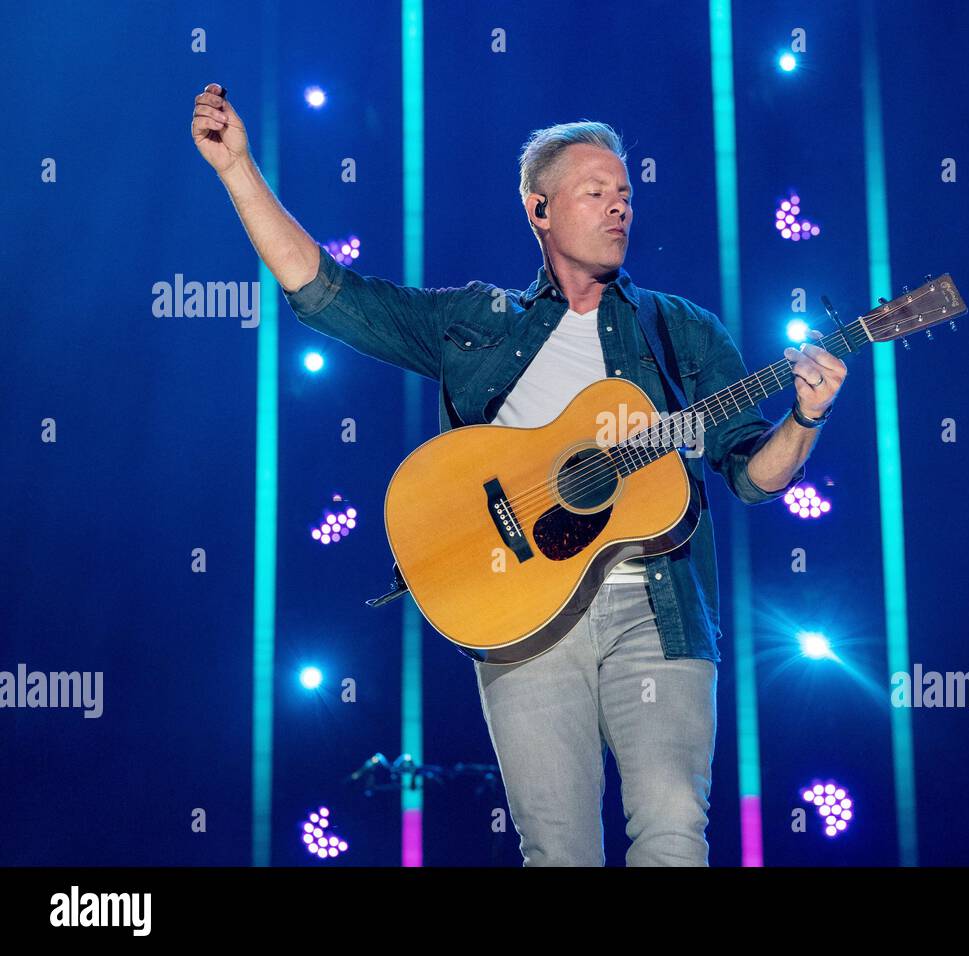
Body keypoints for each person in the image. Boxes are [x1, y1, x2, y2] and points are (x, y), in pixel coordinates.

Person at [192, 83, 847, 865]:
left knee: (675, 832)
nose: (619, 209)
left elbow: (751, 477)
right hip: (520, 613)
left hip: (660, 613)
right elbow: (326, 293)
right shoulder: (476, 321)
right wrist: (238, 171)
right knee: (558, 850)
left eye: (626, 195)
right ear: (539, 211)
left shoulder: (680, 330)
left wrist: (805, 417)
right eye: (595, 192)